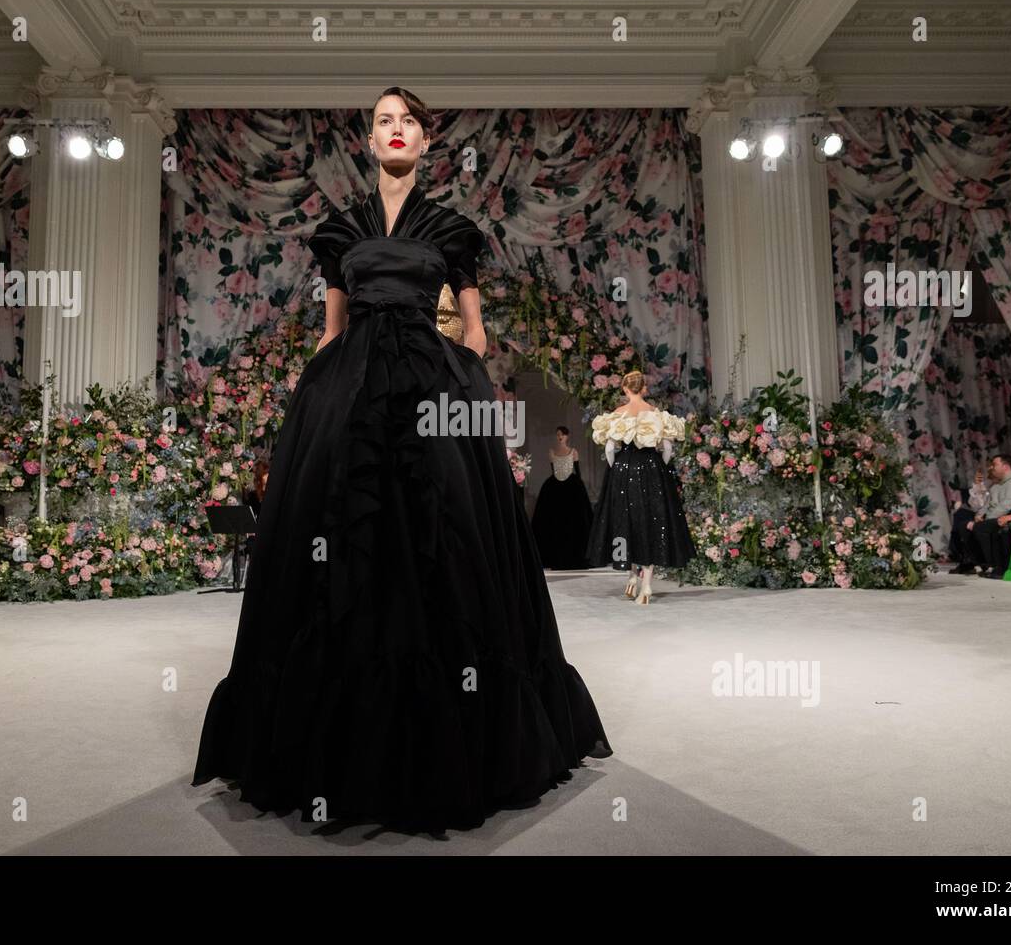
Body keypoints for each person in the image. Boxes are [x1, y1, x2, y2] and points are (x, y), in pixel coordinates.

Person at [192, 87, 611, 833]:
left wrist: (464, 378)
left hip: (433, 388)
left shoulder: (450, 229)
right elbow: (331, 331)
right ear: (369, 140)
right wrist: (311, 402)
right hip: (349, 391)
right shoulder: (341, 232)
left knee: (443, 532)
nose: (396, 130)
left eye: (408, 121)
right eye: (384, 120)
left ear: (425, 141)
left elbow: (476, 332)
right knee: (341, 536)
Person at [585, 370, 695, 603]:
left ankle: (632, 576)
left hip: (623, 469)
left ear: (625, 389)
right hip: (651, 468)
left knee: (625, 522)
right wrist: (659, 469)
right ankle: (646, 586)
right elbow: (667, 448)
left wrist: (618, 470)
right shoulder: (655, 414)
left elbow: (608, 449)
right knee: (652, 523)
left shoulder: (618, 414)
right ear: (643, 388)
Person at [530, 426, 594, 569]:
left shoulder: (573, 452)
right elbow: (554, 470)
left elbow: (577, 471)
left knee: (575, 520)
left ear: (567, 436)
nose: (560, 437)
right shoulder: (552, 452)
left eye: (563, 435)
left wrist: (580, 488)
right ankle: (551, 553)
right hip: (555, 488)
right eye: (558, 435)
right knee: (552, 519)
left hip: (572, 488)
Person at [952, 454, 1011, 575]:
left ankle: (992, 564)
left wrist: (985, 520)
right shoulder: (997, 485)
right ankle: (978, 563)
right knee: (964, 525)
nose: (991, 468)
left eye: (995, 465)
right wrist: (979, 515)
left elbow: (1007, 506)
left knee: (980, 527)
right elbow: (987, 505)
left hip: (1006, 517)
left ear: (1006, 467)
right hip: (993, 517)